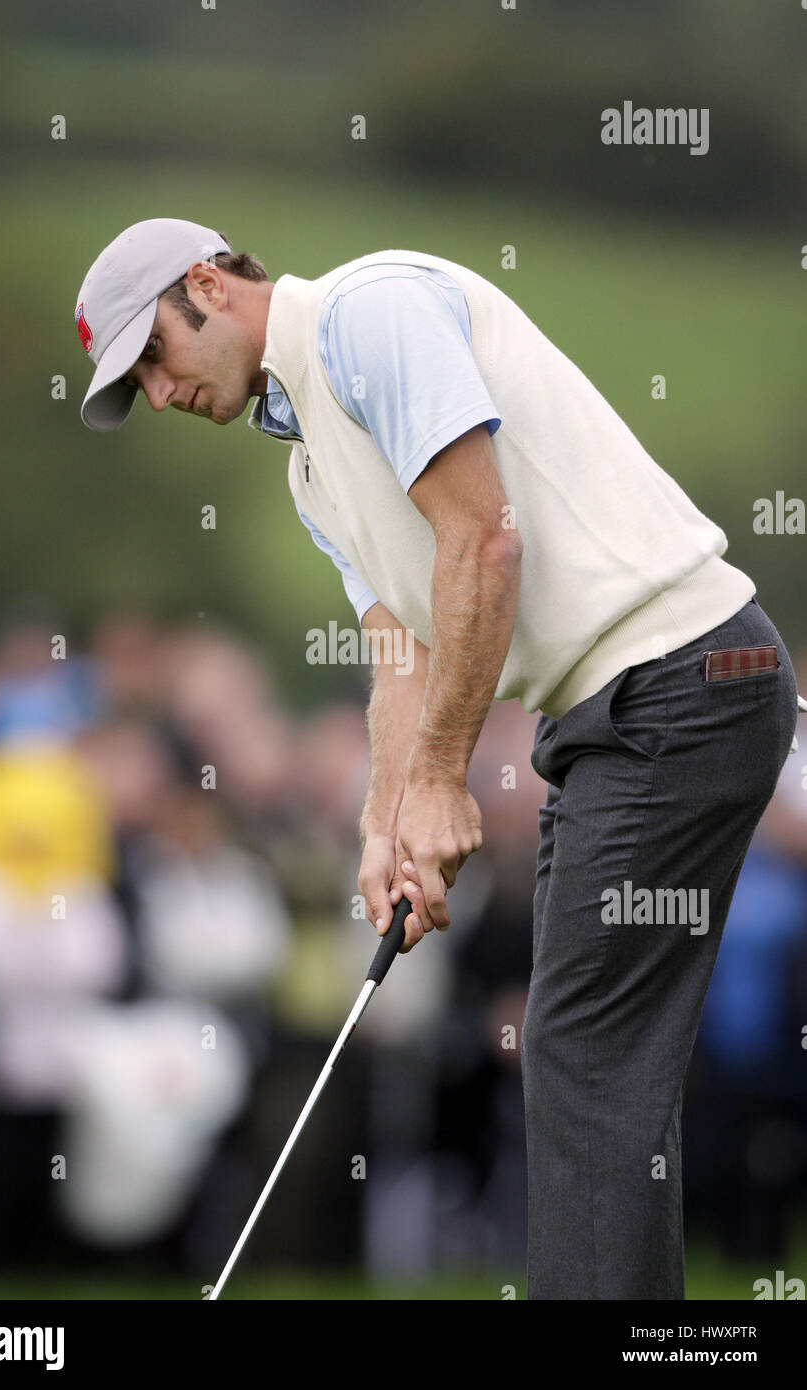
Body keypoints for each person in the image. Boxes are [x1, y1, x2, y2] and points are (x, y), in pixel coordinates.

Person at [74, 218, 802, 1299]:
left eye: (155, 357)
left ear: (209, 284)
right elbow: (400, 654)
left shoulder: (372, 315)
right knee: (589, 1062)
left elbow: (483, 536)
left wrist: (441, 775)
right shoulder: (309, 469)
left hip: (683, 677)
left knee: (583, 1057)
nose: (162, 392)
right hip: (614, 715)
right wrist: (384, 822)